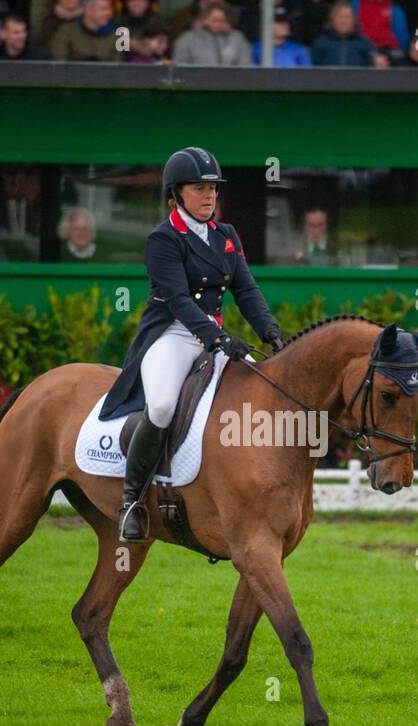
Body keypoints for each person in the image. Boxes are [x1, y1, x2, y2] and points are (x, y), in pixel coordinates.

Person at [99, 146, 287, 542]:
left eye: (213, 188)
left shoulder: (226, 236)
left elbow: (246, 289)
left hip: (214, 338)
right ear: (176, 195)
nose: (209, 196)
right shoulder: (163, 239)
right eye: (199, 188)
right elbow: (180, 301)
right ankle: (131, 500)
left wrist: (271, 332)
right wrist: (218, 337)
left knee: (262, 389)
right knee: (164, 404)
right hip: (172, 336)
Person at [173, 1, 252, 66]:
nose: (219, 24)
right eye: (215, 20)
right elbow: (180, 65)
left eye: (222, 20)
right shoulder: (188, 38)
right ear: (203, 20)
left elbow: (245, 64)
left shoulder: (236, 37)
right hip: (198, 82)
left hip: (231, 82)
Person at [311, 2, 383, 67]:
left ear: (354, 21)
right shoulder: (321, 43)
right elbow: (313, 71)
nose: (344, 21)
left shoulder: (364, 43)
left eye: (348, 17)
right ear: (332, 20)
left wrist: (379, 65)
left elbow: (374, 71)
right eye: (340, 17)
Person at [49, 0, 121, 61]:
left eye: (110, 9)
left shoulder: (114, 35)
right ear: (88, 10)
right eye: (103, 9)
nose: (109, 13)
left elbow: (118, 67)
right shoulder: (67, 31)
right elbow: (59, 63)